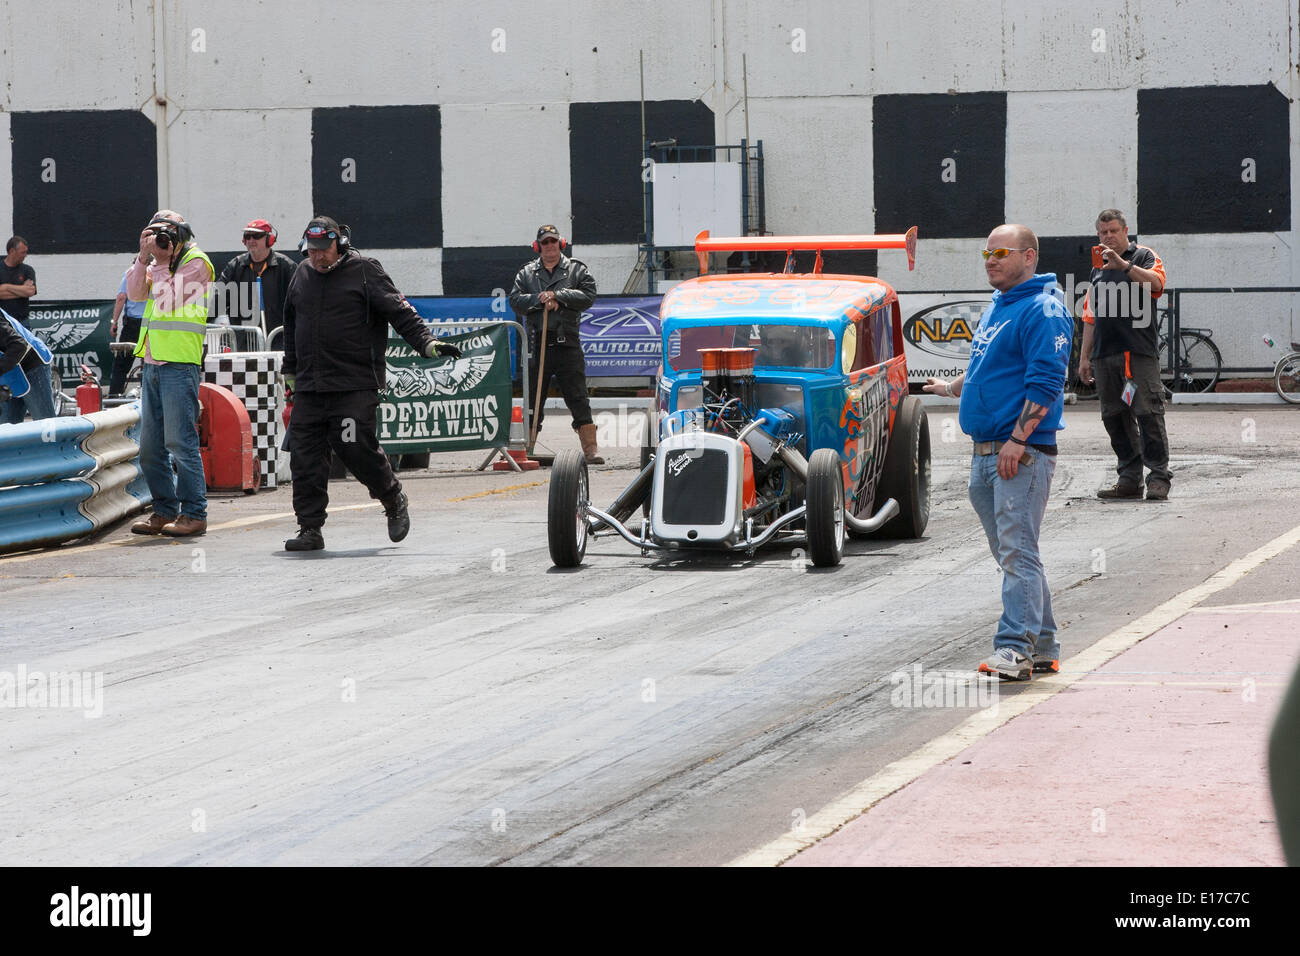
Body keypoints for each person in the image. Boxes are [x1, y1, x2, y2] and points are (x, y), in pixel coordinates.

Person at [923, 224, 1073, 681]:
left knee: (1017, 552)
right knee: (1014, 552)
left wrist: (1019, 440)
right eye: (986, 253)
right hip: (987, 451)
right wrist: (953, 388)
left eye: (1001, 252)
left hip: (1018, 453)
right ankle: (1043, 646)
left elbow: (1047, 381)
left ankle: (1015, 648)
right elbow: (986, 368)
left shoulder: (1042, 309)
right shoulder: (998, 306)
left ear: (1029, 257)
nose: (990, 260)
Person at [280, 216, 462, 552]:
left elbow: (401, 313)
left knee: (354, 446)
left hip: (354, 384)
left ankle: (392, 498)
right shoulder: (301, 274)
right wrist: (289, 371)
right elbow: (291, 325)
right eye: (312, 250)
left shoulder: (365, 271)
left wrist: (427, 344)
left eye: (324, 250)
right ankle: (310, 528)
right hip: (309, 387)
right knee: (304, 459)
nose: (318, 257)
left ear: (341, 244)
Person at [126, 210, 213, 538]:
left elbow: (166, 300)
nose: (161, 241)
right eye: (156, 234)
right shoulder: (153, 262)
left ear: (182, 234)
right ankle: (164, 510)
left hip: (179, 364)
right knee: (150, 447)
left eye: (167, 235)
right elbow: (135, 294)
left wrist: (160, 260)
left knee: (180, 441)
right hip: (152, 363)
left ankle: (194, 513)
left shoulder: (197, 261)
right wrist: (142, 255)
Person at [1077, 208, 1170, 500]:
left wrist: (1124, 266)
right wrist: (1084, 358)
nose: (1108, 237)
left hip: (1137, 352)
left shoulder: (1142, 255)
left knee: (1148, 412)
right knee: (1114, 417)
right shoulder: (1097, 267)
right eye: (1103, 233)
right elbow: (1090, 314)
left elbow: (1156, 284)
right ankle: (1129, 479)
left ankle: (1158, 478)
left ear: (1125, 231)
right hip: (1105, 355)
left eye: (1113, 231)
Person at [509, 225, 601, 464]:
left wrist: (559, 296)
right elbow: (515, 300)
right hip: (537, 344)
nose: (549, 246)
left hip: (567, 343)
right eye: (545, 242)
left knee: (578, 396)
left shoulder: (576, 269)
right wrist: (541, 300)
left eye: (553, 241)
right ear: (538, 246)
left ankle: (590, 449)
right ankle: (527, 447)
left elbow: (589, 295)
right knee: (533, 399)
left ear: (561, 243)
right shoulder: (526, 273)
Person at [214, 219, 297, 335]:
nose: (251, 240)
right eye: (247, 236)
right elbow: (217, 298)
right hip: (244, 344)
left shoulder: (286, 266)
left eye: (256, 236)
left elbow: (300, 303)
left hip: (278, 342)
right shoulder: (235, 266)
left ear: (269, 239)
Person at [109, 231, 151, 397]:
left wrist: (114, 322)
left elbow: (121, 298)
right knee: (148, 362)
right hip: (149, 323)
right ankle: (146, 396)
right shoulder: (155, 273)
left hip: (133, 324)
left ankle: (114, 396)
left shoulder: (130, 273)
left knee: (122, 364)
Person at [0, 306, 56, 424]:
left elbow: (19, 345)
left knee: (45, 427)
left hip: (32, 364)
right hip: (10, 371)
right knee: (7, 429)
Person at [0, 237, 37, 326]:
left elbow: (30, 291)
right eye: (22, 252)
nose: (25, 255)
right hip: (2, 322)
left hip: (22, 322)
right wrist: (21, 291)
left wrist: (6, 287)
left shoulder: (28, 270)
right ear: (12, 251)